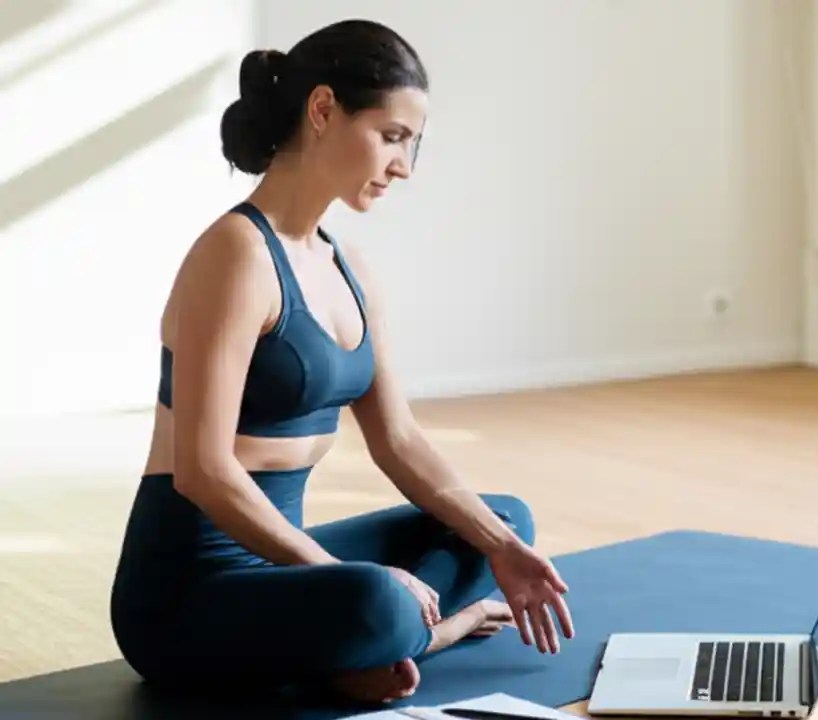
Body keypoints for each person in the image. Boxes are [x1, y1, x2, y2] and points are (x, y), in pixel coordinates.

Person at [108, 18, 573, 706]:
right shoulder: (234, 257)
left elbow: (399, 439)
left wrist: (499, 544)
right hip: (186, 596)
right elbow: (203, 473)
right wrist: (338, 578)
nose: (404, 167)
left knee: (504, 523)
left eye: (413, 145)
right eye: (392, 137)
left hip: (280, 564)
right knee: (375, 598)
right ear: (323, 110)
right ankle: (423, 632)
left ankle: (367, 638)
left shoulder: (346, 265)